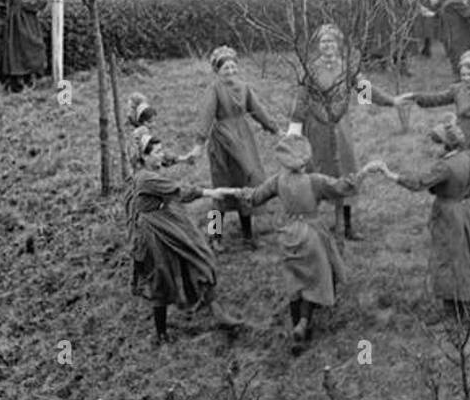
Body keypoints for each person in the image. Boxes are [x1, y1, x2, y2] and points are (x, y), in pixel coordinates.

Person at [223, 134, 385, 354]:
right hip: (311, 234)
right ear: (305, 158)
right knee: (315, 280)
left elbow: (254, 197)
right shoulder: (314, 181)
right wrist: (366, 170)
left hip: (287, 235)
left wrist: (235, 192)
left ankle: (297, 335)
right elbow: (343, 187)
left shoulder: (277, 180)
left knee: (295, 283)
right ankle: (304, 323)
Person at [291, 24, 404, 241]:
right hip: (317, 128)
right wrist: (294, 129)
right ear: (317, 46)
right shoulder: (310, 70)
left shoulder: (347, 68)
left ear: (339, 45)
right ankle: (312, 226)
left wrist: (391, 101)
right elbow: (301, 100)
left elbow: (365, 93)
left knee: (346, 169)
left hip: (341, 128)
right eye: (323, 42)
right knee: (318, 172)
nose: (327, 46)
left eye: (331, 41)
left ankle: (346, 224)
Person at [128, 130, 239, 344]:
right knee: (162, 277)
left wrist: (185, 157)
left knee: (198, 257)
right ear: (145, 156)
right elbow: (179, 190)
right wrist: (209, 193)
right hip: (155, 231)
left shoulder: (151, 169)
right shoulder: (146, 178)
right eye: (157, 152)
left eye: (161, 151)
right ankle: (161, 334)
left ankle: (217, 312)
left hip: (168, 219)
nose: (161, 155)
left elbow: (169, 163)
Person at [377, 122, 470, 319]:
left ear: (446, 145)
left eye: (437, 143)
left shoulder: (444, 167)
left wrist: (389, 174)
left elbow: (418, 183)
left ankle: (453, 309)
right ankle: (469, 299)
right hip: (465, 210)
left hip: (448, 214)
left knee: (448, 258)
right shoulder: (467, 157)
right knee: (467, 256)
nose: (433, 147)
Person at [189, 46, 284, 250]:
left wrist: (275, 129)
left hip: (243, 140)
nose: (230, 71)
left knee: (245, 185)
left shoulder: (244, 87)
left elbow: (258, 110)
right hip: (222, 143)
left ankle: (248, 235)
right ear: (217, 70)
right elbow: (205, 117)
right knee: (220, 191)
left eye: (233, 67)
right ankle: (215, 235)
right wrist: (198, 144)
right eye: (225, 68)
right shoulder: (214, 90)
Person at [401, 49, 470, 215]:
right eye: (463, 75)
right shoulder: (457, 90)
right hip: (460, 134)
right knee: (461, 168)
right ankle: (462, 199)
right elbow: (437, 98)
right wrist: (415, 96)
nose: (467, 78)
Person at [3, 0, 48, 91]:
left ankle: (24, 79)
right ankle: (21, 81)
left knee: (25, 50)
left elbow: (38, 3)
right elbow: (34, 3)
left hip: (24, 24)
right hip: (21, 25)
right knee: (24, 50)